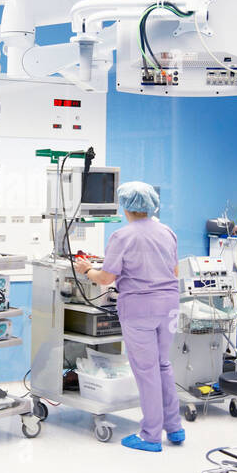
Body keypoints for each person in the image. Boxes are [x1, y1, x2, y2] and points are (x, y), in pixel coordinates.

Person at [73, 181, 182, 452]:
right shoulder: (167, 231)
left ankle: (150, 436)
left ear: (126, 206)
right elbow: (175, 271)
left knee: (146, 371)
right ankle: (175, 428)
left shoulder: (123, 236)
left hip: (140, 310)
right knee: (163, 365)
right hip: (169, 305)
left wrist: (87, 269)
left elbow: (107, 278)